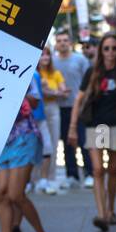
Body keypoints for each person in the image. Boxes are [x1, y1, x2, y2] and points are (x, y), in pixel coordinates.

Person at [67, 33, 116, 232]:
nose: (110, 52)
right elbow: (78, 100)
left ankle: (110, 209)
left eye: (114, 48)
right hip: (97, 125)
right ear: (101, 50)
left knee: (114, 169)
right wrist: (73, 127)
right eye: (106, 48)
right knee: (98, 169)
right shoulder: (93, 72)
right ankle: (101, 214)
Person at [0, 73, 51, 232]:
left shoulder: (23, 69)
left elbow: (35, 103)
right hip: (2, 139)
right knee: (2, 193)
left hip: (24, 135)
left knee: (15, 195)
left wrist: (13, 87)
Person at [52, 32, 91, 188]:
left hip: (80, 108)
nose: (62, 43)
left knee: (83, 141)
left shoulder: (80, 60)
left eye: (65, 40)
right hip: (60, 108)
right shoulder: (52, 62)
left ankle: (89, 173)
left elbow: (89, 83)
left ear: (70, 42)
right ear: (56, 43)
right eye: (59, 41)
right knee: (67, 142)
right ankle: (71, 175)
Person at [36, 46, 67, 193]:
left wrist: (50, 91)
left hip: (53, 109)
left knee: (53, 144)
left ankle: (51, 178)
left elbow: (64, 92)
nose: (45, 58)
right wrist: (54, 92)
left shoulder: (56, 73)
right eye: (42, 55)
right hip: (38, 111)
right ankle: (35, 179)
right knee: (38, 145)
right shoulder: (34, 73)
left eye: (47, 55)